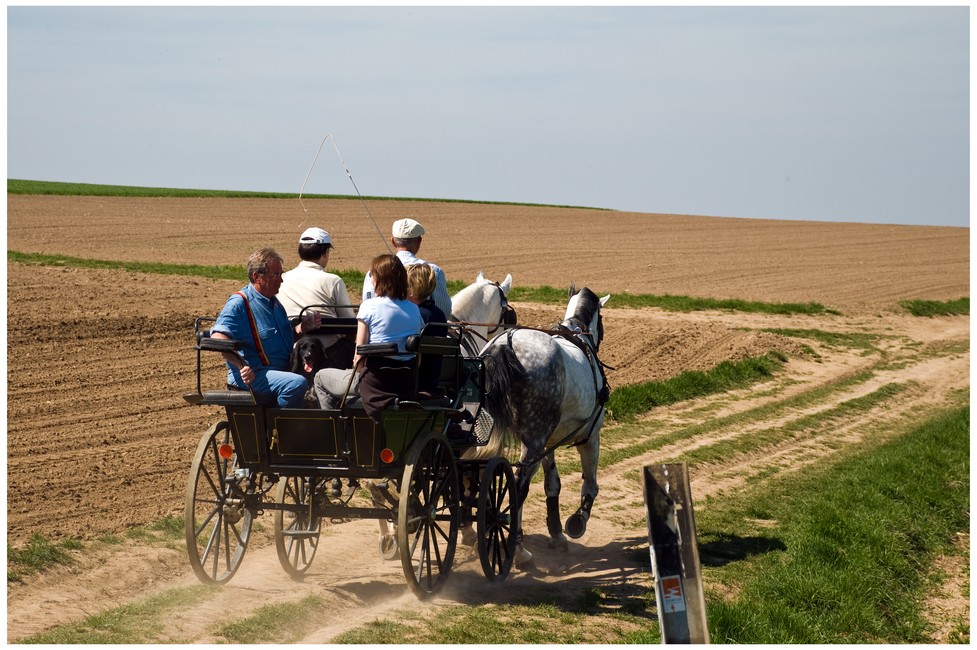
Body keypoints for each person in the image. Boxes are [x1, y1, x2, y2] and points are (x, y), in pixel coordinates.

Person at [315, 254, 424, 417]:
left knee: (320, 377)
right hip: (406, 384)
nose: (371, 279)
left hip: (375, 384)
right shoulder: (414, 309)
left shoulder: (369, 307)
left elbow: (358, 355)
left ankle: (332, 433)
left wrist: (358, 371)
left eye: (372, 275)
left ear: (379, 278)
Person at [210, 247, 320, 408]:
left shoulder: (275, 304)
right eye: (276, 274)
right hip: (254, 375)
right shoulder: (239, 303)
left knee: (322, 379)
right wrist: (241, 365)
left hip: (280, 372)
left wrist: (302, 327)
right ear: (257, 277)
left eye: (281, 274)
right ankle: (282, 429)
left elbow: (286, 337)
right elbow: (218, 337)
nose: (281, 280)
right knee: (295, 383)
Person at [277, 226, 356, 369]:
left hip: (293, 351)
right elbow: (350, 324)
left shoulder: (283, 278)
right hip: (329, 353)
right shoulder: (333, 281)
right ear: (325, 253)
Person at [362, 218, 451, 317]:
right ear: (419, 242)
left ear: (393, 241)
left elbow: (367, 303)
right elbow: (444, 310)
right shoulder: (433, 270)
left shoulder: (374, 271)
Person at [406, 263, 447, 397]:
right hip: (431, 382)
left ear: (412, 289)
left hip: (414, 384)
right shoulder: (438, 314)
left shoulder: (415, 314)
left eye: (403, 285)